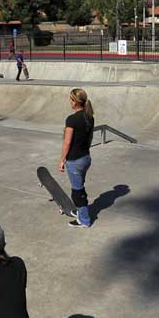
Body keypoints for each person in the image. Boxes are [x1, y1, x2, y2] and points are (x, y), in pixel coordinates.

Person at [60, 88, 95, 228]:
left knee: (77, 192)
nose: (69, 102)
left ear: (75, 102)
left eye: (70, 99)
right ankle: (81, 212)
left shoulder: (72, 119)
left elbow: (67, 142)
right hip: (86, 158)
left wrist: (62, 160)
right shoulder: (89, 116)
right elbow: (90, 136)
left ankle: (84, 220)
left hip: (75, 161)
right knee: (79, 188)